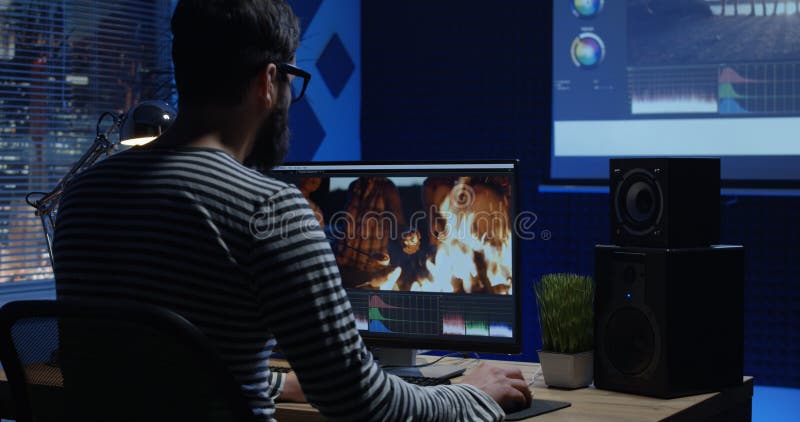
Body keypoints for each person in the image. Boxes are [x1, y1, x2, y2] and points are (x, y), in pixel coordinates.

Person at [52, 0, 531, 421]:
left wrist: (278, 382)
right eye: (291, 81)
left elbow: (154, 368)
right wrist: (474, 396)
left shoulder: (81, 198)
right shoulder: (271, 208)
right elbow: (363, 404)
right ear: (268, 81)